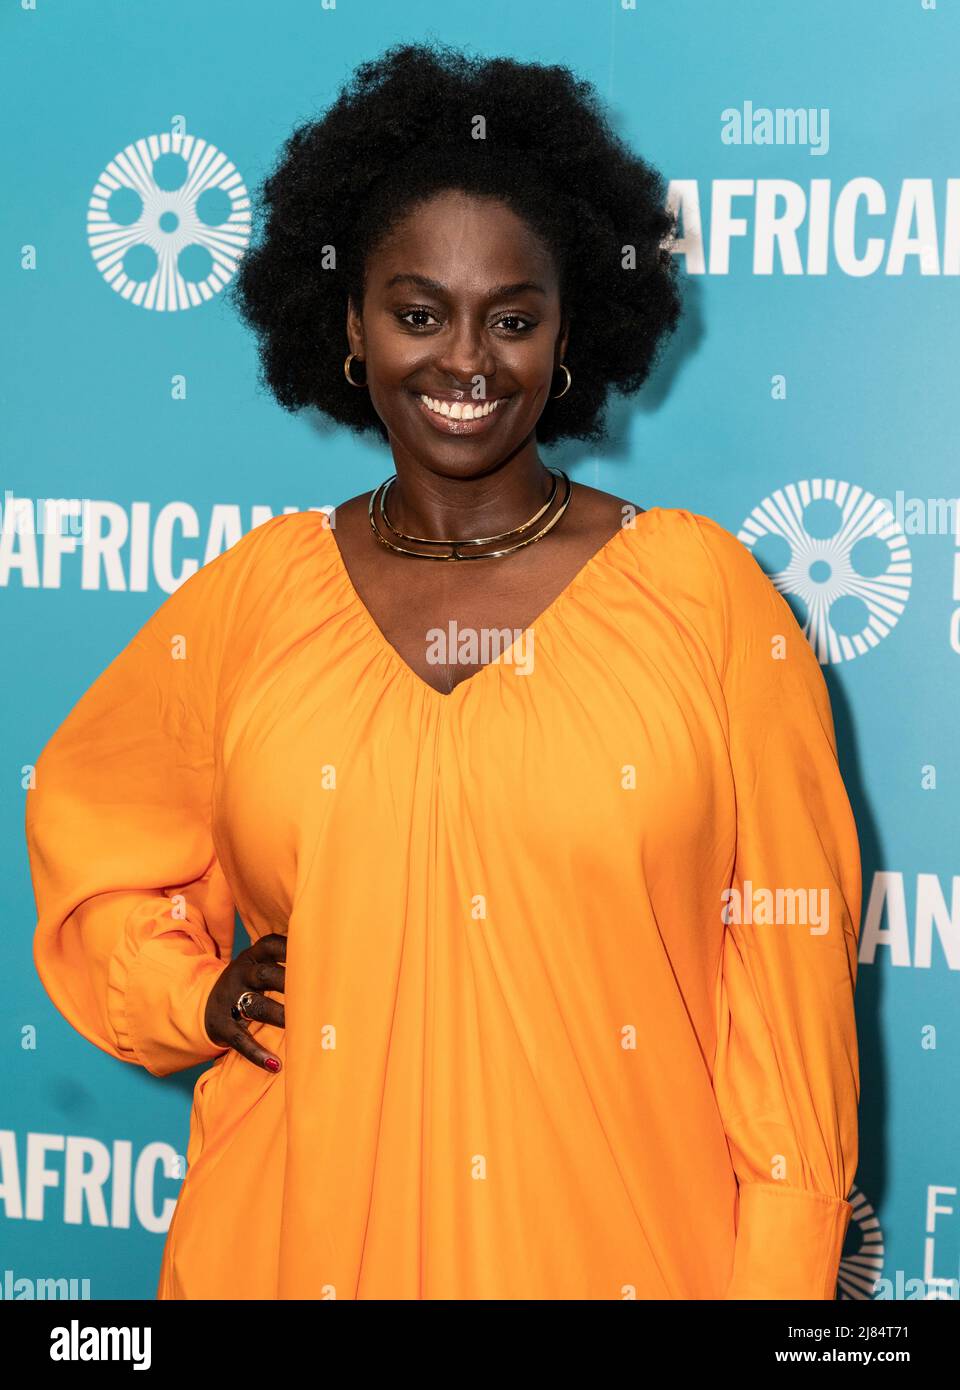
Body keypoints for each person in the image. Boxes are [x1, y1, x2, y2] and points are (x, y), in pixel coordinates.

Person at [26, 42, 861, 1300]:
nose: (465, 362)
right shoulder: (255, 600)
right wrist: (194, 991)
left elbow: (790, 998)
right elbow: (92, 852)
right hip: (297, 1243)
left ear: (569, 334)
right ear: (348, 327)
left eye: (512, 318)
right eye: (418, 313)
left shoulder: (706, 598)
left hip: (626, 1253)